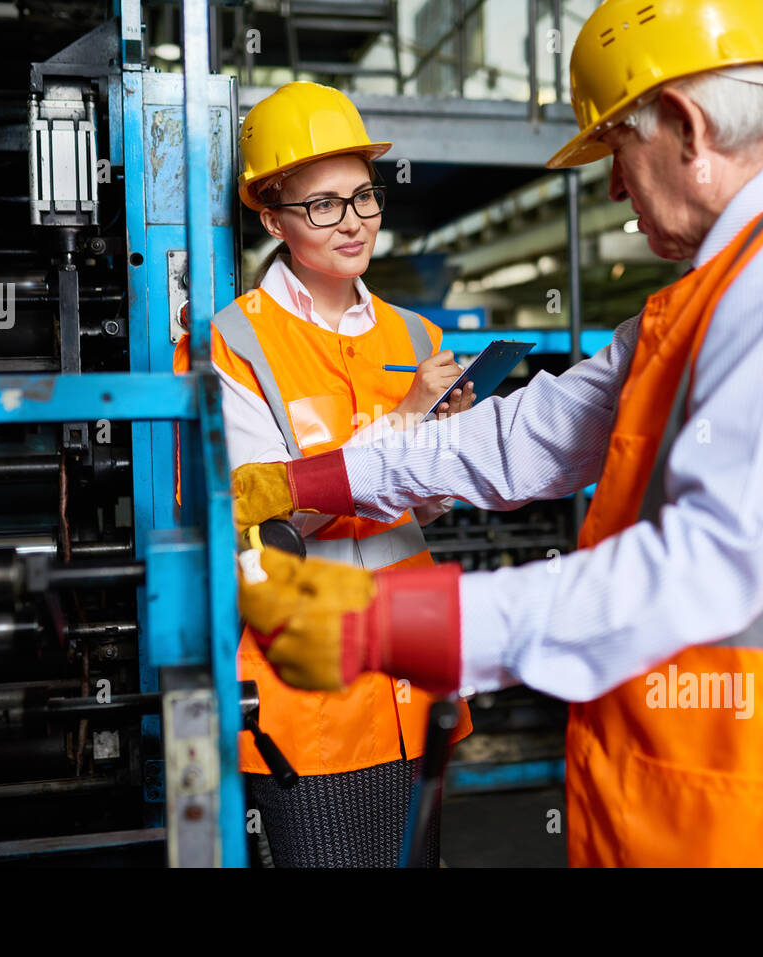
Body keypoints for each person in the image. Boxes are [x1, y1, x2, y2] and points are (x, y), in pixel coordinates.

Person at [230, 0, 763, 867]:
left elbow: (707, 559)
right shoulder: (707, 293)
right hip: (712, 789)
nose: (616, 187)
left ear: (689, 129)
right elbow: (525, 434)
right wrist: (309, 482)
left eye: (618, 149)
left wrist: (400, 621)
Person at [175, 80, 474, 868]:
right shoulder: (234, 343)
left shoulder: (416, 332)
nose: (355, 222)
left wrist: (447, 448)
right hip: (316, 684)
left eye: (364, 197)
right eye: (324, 205)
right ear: (271, 217)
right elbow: (258, 516)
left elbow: (426, 512)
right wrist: (407, 418)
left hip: (416, 662)